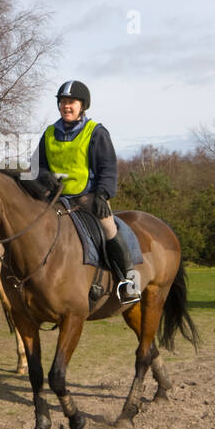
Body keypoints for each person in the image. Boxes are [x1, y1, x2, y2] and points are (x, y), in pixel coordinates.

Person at [35, 80, 139, 301]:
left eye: (71, 102)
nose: (66, 106)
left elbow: (108, 167)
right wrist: (45, 178)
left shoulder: (96, 132)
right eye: (62, 102)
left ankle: (129, 283)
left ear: (82, 105)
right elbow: (38, 166)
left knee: (109, 228)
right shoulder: (49, 133)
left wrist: (103, 195)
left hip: (88, 197)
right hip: (55, 199)